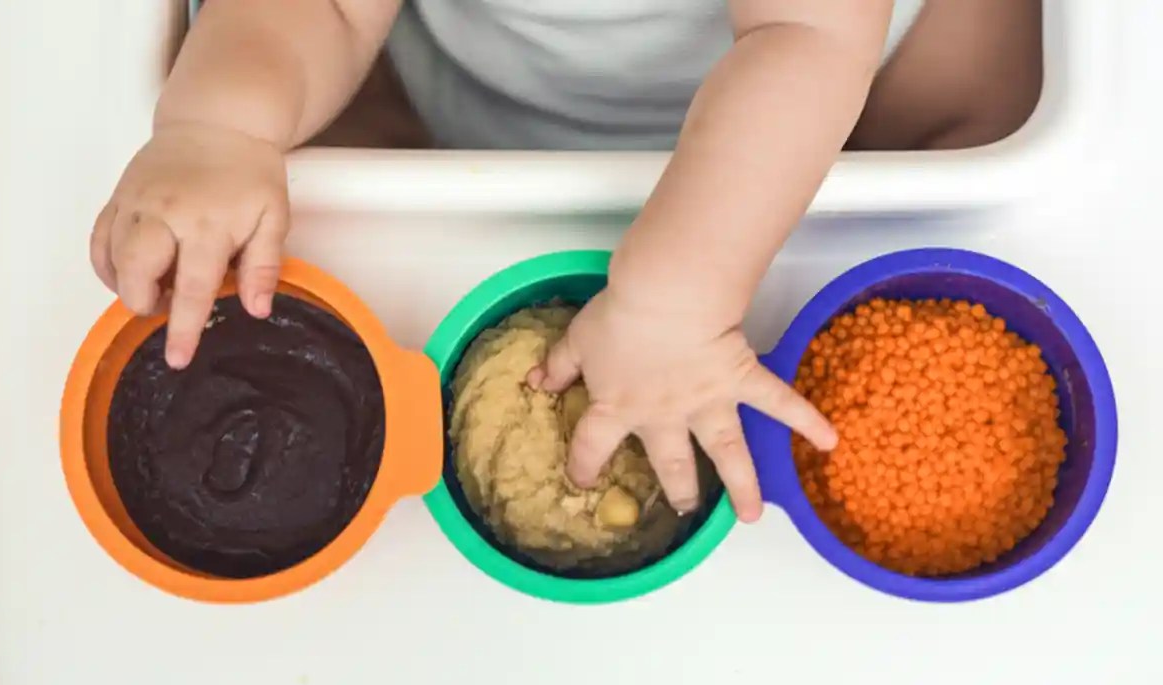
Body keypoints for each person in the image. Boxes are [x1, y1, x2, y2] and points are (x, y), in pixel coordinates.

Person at [89, 0, 1041, 522]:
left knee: (977, 65)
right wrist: (219, 126)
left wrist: (674, 302)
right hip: (490, 84)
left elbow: (807, 39)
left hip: (826, 73)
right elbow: (329, 12)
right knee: (333, 129)